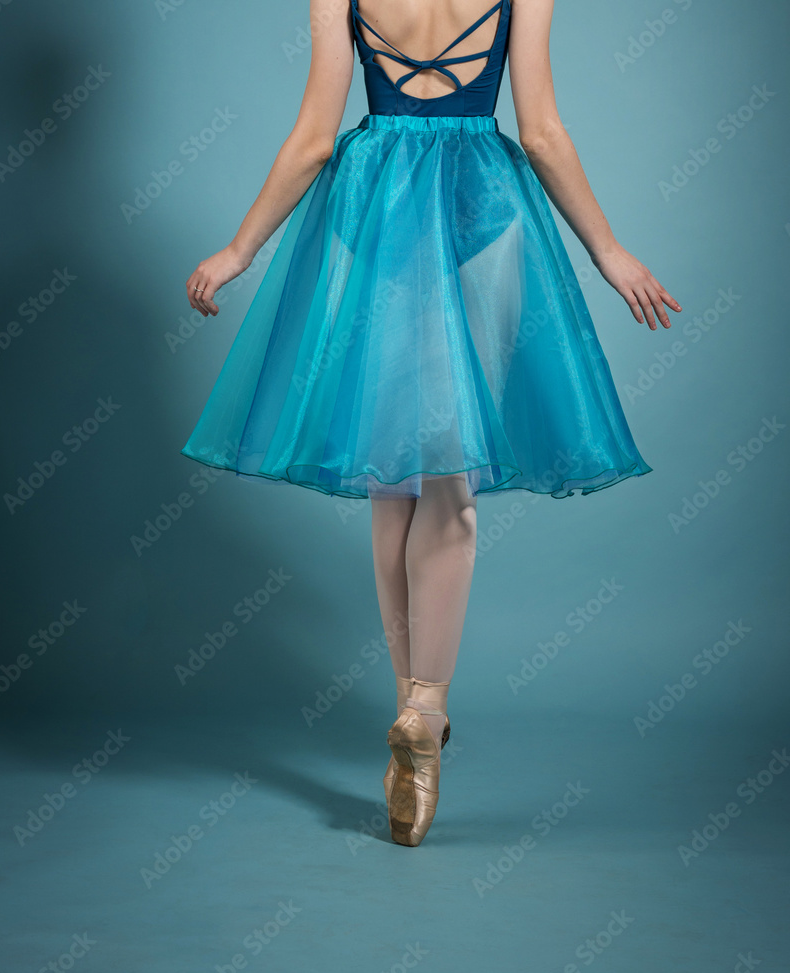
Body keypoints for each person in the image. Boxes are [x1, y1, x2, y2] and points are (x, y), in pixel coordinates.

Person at [180, 0, 682, 847]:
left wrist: (238, 251)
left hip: (374, 207)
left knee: (393, 475)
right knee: (451, 473)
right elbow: (543, 134)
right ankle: (426, 708)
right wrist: (607, 251)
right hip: (483, 207)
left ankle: (409, 705)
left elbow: (312, 142)